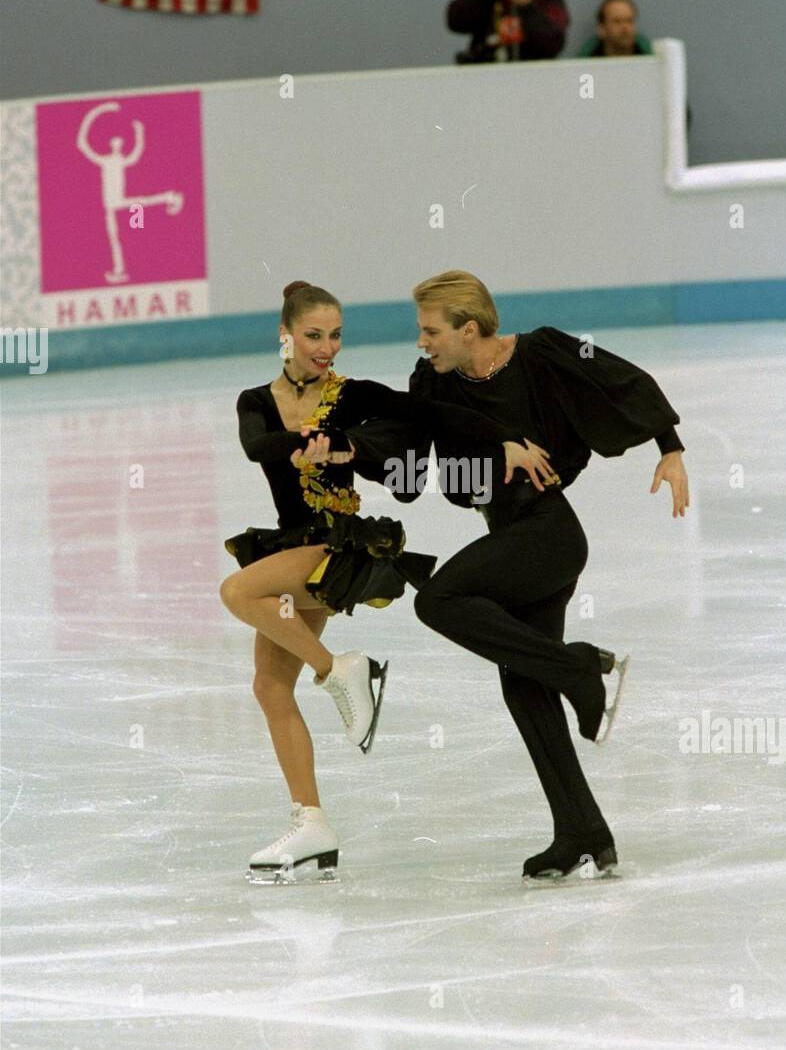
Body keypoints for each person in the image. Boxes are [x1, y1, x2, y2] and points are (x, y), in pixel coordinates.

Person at [345, 271, 689, 883]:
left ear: (468, 329)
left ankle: (584, 668)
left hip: (549, 536)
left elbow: (620, 380)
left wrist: (669, 446)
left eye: (430, 330)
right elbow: (434, 470)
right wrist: (350, 450)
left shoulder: (544, 351)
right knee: (523, 686)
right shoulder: (434, 383)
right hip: (511, 537)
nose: (421, 342)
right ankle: (582, 833)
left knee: (441, 601)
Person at [220, 279, 532, 885]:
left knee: (239, 593)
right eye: (314, 335)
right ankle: (312, 824)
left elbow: (431, 413)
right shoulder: (254, 399)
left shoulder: (353, 395)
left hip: (338, 547)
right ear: (286, 335)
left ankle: (340, 670)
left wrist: (501, 440)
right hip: (291, 545)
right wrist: (310, 444)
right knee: (268, 687)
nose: (326, 348)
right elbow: (260, 447)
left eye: (335, 336)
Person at [578, 0, 653, 57]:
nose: (625, 27)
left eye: (630, 21)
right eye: (617, 22)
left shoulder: (651, 57)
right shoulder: (585, 62)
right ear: (601, 29)